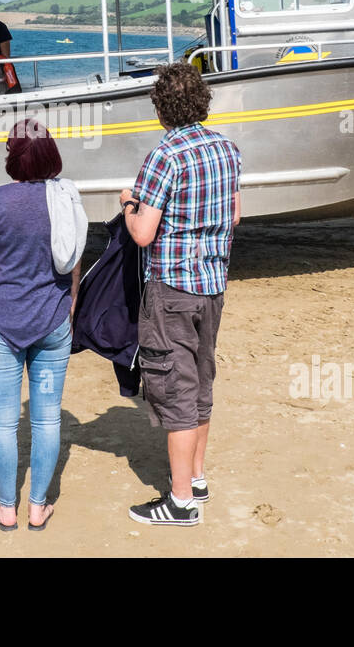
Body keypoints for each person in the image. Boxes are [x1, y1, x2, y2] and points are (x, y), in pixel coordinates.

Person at [120, 63, 241, 526]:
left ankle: (180, 502)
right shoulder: (227, 150)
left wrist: (128, 204)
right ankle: (197, 477)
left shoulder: (164, 155)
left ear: (160, 107)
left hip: (171, 288)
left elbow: (144, 234)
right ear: (202, 101)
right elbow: (232, 218)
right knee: (201, 382)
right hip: (212, 287)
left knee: (175, 391)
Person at [0, 119, 82, 531]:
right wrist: (71, 305)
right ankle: (38, 506)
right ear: (50, 154)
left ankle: (6, 508)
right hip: (52, 325)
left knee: (2, 420)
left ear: (12, 159)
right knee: (47, 418)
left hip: (4, 326)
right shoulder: (65, 197)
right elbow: (74, 260)